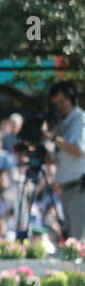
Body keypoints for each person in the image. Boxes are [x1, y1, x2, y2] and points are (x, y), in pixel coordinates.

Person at [48, 82, 84, 238]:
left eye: (61, 102)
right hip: (66, 189)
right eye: (56, 103)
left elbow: (79, 150)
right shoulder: (63, 123)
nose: (59, 107)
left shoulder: (80, 119)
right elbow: (56, 157)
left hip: (80, 187)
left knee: (78, 240)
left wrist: (53, 138)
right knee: (71, 239)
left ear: (72, 100)